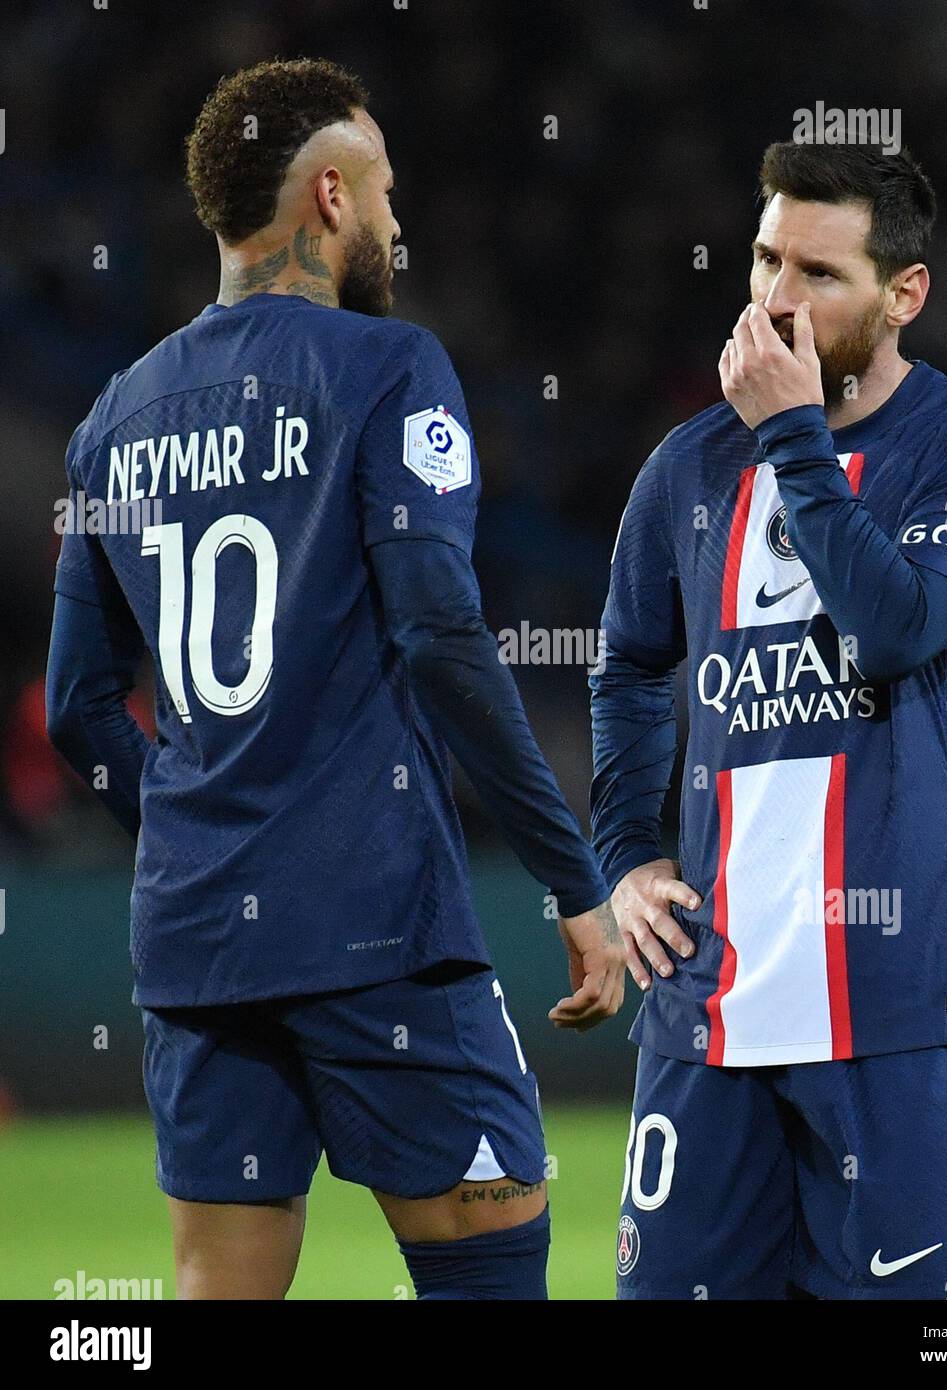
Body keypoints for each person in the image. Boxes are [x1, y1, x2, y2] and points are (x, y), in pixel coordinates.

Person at [46, 57, 622, 1302]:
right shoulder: (385, 370)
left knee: (219, 1290)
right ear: (325, 198)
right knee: (489, 1272)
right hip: (378, 929)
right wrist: (574, 879)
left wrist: (212, 827)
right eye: (383, 192)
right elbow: (443, 635)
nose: (396, 222)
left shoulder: (112, 419)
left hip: (198, 944)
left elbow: (76, 712)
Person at [591, 140, 947, 1299]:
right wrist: (627, 855)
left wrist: (794, 438)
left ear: (905, 295)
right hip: (711, 1009)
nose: (777, 301)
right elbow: (632, 667)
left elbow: (893, 630)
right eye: (763, 260)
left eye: (819, 274)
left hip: (897, 1008)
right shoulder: (686, 469)